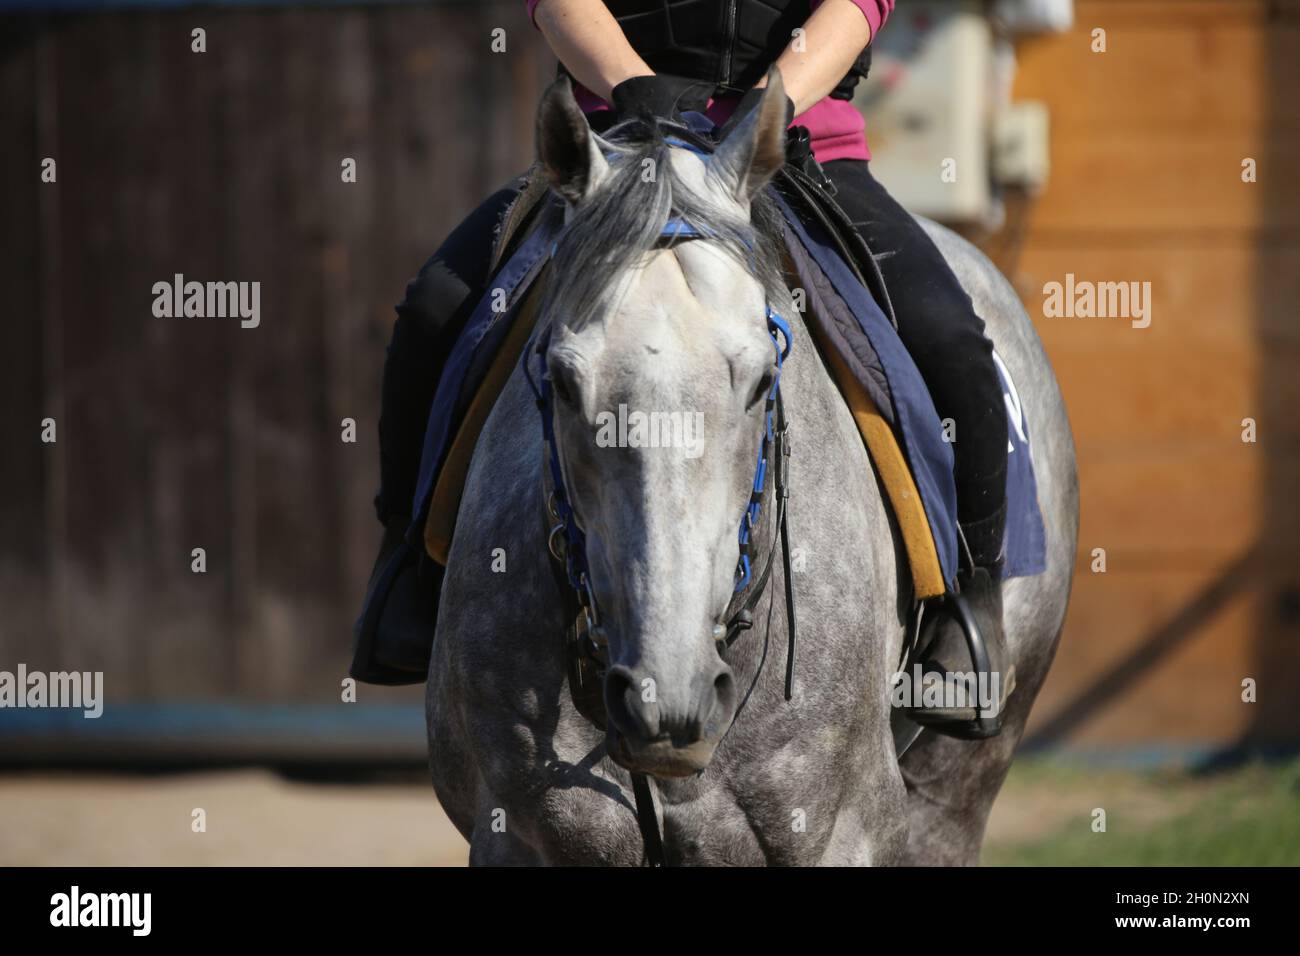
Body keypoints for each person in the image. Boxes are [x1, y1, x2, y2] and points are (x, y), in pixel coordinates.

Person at [367, 0, 1011, 737]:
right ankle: (410, 572)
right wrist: (633, 87)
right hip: (618, 152)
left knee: (951, 339)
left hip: (792, 147)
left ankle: (969, 607)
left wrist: (773, 101)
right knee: (434, 310)